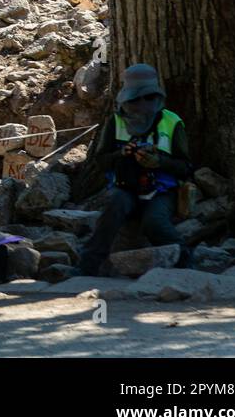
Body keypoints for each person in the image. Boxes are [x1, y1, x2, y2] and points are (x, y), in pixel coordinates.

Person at [78, 64, 193, 276]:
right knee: (113, 208)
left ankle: (185, 260)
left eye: (148, 98)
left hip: (162, 190)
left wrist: (159, 162)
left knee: (155, 222)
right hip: (125, 188)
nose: (142, 104)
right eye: (136, 99)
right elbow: (100, 161)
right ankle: (88, 267)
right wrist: (122, 155)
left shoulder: (171, 122)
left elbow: (186, 167)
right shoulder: (115, 121)